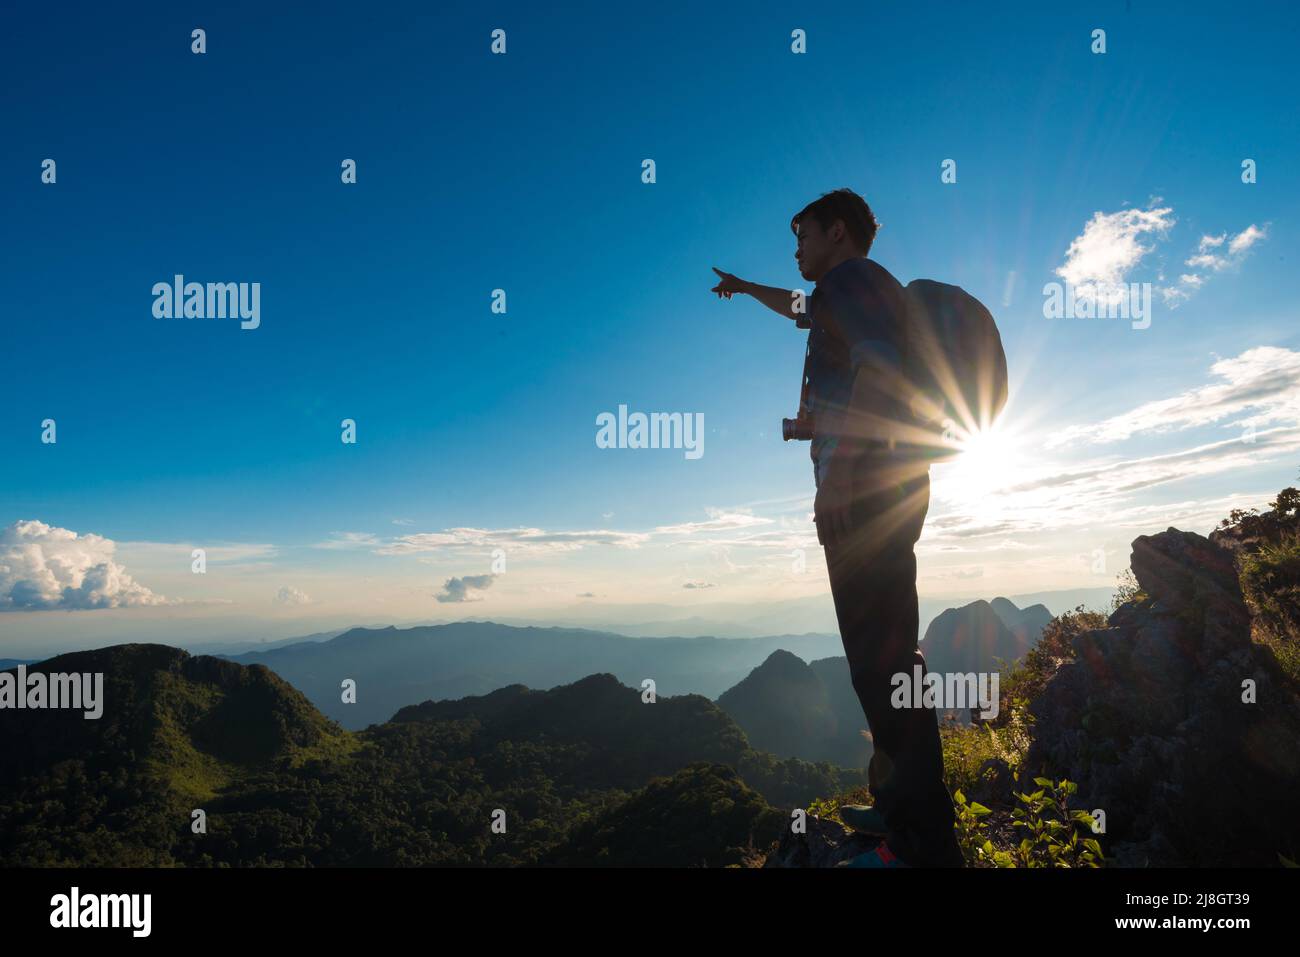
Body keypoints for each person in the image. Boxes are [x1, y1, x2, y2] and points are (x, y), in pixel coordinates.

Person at [711, 188, 964, 868]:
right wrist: (740, 287)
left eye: (803, 231)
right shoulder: (837, 294)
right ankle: (899, 812)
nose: (795, 245)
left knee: (884, 662)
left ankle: (920, 842)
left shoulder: (853, 280)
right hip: (878, 487)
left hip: (869, 495)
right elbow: (800, 313)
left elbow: (878, 368)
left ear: (839, 233)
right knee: (878, 659)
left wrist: (845, 473)